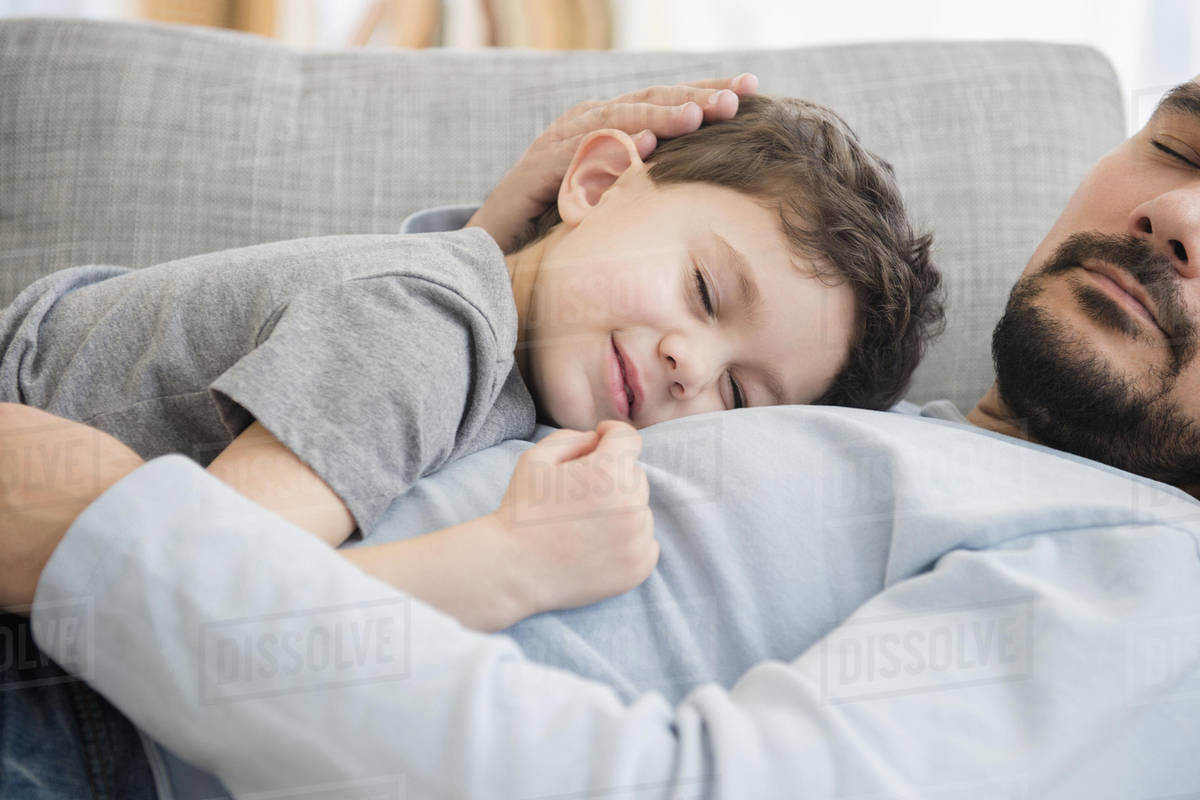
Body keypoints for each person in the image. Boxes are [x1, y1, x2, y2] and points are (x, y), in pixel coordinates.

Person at [5, 78, 1200, 798]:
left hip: (91, 701)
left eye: (737, 388)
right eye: (1180, 148)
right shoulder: (877, 416)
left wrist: (106, 545)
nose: (1176, 212)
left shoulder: (1155, 584)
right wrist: (489, 265)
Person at [0, 89, 942, 632]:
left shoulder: (478, 328)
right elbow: (200, 595)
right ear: (596, 182)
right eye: (704, 289)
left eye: (738, 393)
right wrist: (515, 564)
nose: (688, 365)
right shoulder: (427, 324)